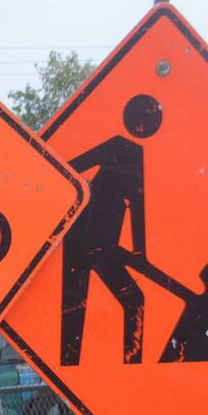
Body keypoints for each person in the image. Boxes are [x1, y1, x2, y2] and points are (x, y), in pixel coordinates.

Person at [59, 94, 162, 366]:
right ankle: (69, 368)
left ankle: (132, 369)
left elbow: (137, 210)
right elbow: (65, 168)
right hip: (78, 239)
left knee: (134, 300)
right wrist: (83, 194)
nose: (144, 124)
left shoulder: (139, 157)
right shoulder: (117, 145)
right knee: (74, 310)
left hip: (105, 247)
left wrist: (140, 254)